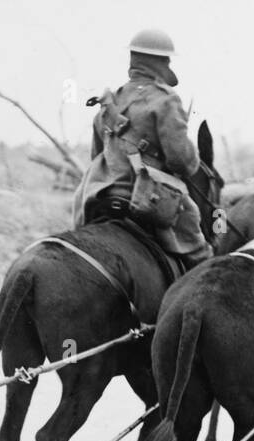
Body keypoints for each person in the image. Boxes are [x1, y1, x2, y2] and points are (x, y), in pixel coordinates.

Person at [72, 29, 212, 265]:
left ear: (133, 60)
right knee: (199, 253)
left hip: (98, 197)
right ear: (162, 62)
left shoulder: (108, 103)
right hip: (143, 199)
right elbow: (183, 162)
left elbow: (96, 155)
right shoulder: (166, 100)